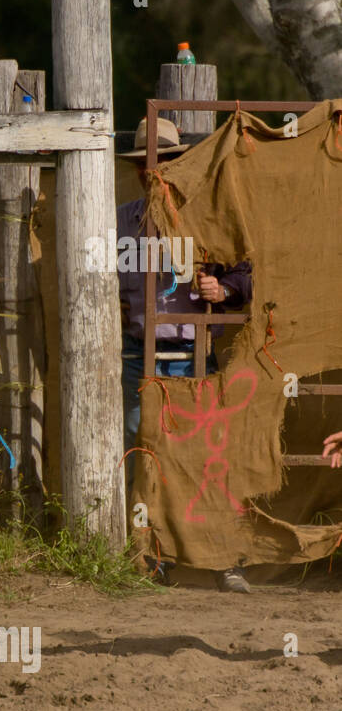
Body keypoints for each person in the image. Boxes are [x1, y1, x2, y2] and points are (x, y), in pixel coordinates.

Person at [118, 116, 253, 592]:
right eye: (147, 165)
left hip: (196, 355)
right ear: (138, 172)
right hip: (140, 354)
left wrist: (226, 287)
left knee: (207, 456)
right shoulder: (120, 221)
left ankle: (222, 558)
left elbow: (248, 268)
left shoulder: (207, 217)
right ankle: (150, 557)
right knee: (144, 456)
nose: (155, 173)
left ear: (179, 168)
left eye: (166, 163)